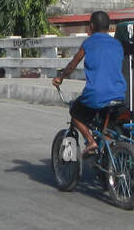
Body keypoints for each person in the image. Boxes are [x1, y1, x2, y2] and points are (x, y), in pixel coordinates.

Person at [53, 10, 127, 156]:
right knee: (107, 126)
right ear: (108, 26)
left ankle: (90, 140)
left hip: (96, 94)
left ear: (92, 26)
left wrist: (60, 78)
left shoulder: (89, 43)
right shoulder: (117, 44)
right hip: (118, 94)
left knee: (75, 112)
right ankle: (106, 155)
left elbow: (73, 64)